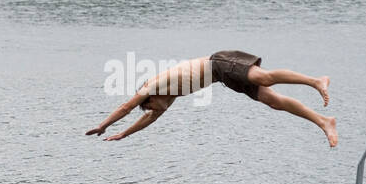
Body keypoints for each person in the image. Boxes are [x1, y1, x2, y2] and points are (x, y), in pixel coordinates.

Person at [86, 50, 337, 146]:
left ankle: (315, 81)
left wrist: (103, 125)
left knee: (266, 78)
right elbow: (147, 120)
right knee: (273, 101)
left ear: (150, 98)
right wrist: (124, 134)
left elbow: (126, 106)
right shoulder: (169, 97)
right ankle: (323, 121)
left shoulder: (156, 84)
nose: (155, 111)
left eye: (151, 107)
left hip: (222, 63)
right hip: (224, 78)